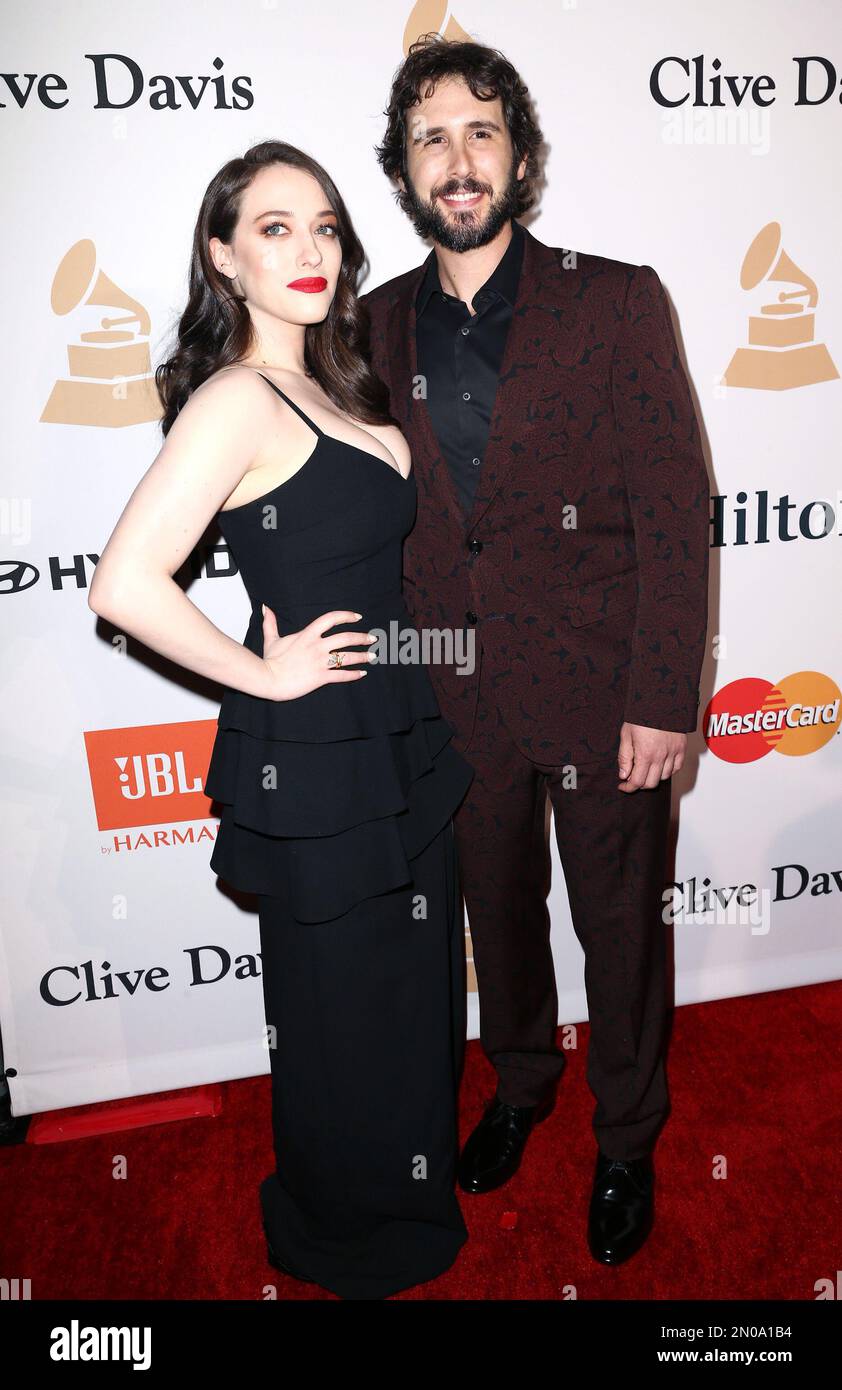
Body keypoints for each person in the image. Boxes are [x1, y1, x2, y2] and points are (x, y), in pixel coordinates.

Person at [88, 140, 475, 1299]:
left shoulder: (342, 387)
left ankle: (405, 1195)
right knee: (334, 1009)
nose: (308, 251)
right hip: (312, 761)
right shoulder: (233, 397)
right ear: (224, 258)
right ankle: (340, 1230)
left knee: (409, 995)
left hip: (399, 734)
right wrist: (259, 678)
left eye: (322, 227)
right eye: (272, 228)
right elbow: (124, 583)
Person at [361, 36, 710, 1266]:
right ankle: (519, 1085)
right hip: (452, 700)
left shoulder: (613, 298)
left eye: (480, 132)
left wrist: (664, 695)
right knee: (495, 920)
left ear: (519, 155)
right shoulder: (369, 327)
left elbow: (676, 510)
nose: (457, 162)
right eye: (431, 139)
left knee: (618, 926)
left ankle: (625, 1136)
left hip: (604, 694)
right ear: (403, 173)